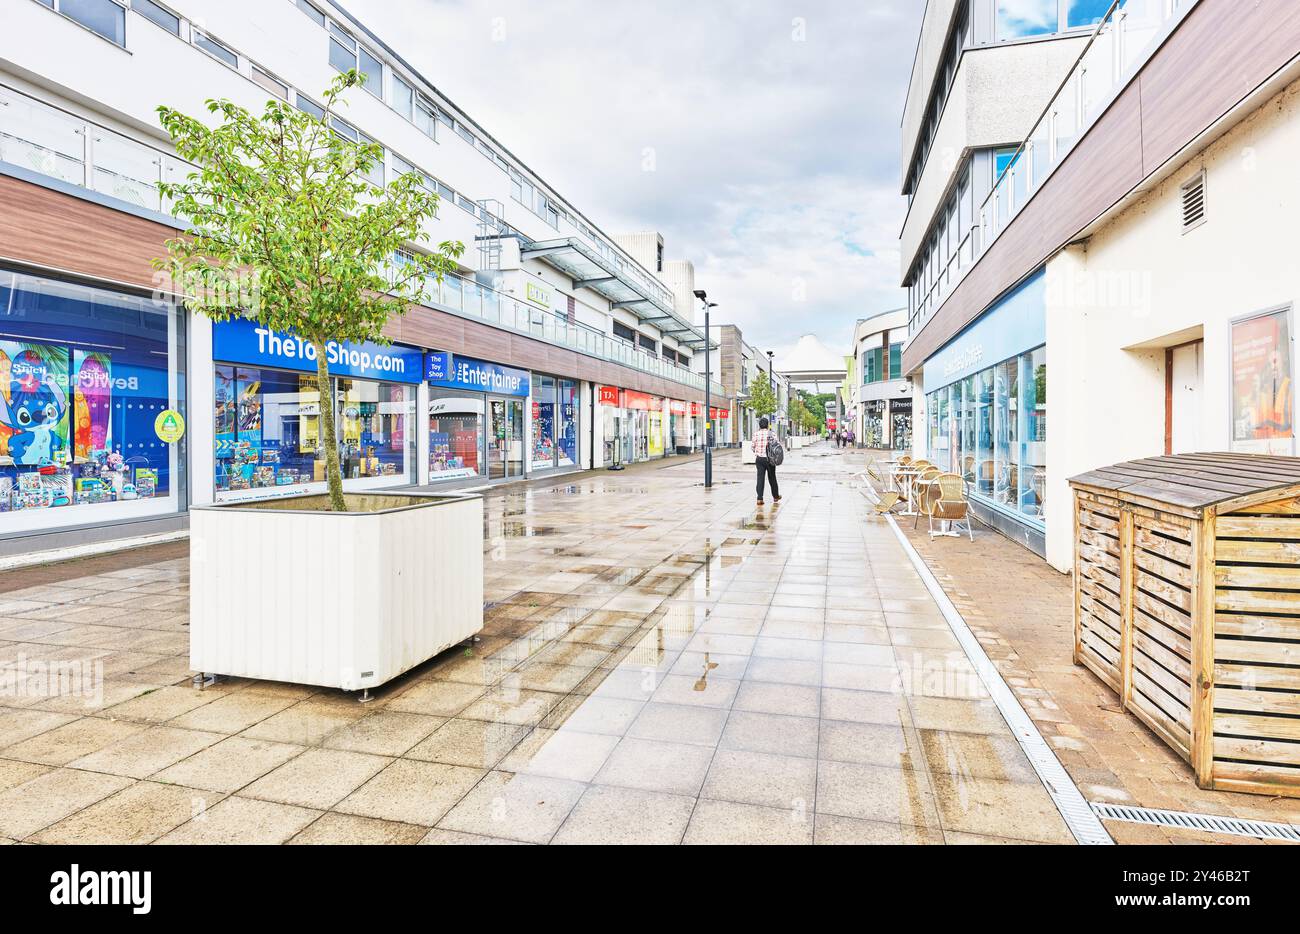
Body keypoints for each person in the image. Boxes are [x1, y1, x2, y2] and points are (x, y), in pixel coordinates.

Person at [753, 416, 780, 506]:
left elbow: (753, 447)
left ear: (760, 425)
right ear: (767, 425)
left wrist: (757, 451)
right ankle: (775, 496)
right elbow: (777, 446)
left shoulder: (756, 434)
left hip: (759, 459)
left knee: (760, 478)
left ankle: (759, 498)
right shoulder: (772, 434)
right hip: (770, 459)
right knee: (772, 477)